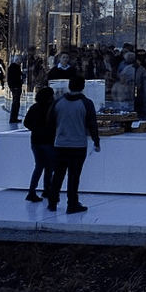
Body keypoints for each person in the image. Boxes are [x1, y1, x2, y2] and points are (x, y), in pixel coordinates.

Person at [44, 76, 101, 214]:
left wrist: (52, 141)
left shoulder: (58, 102)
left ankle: (52, 201)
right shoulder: (86, 103)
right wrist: (96, 141)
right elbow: (92, 124)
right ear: (82, 87)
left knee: (58, 174)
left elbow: (50, 123)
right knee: (74, 176)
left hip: (60, 144)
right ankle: (72, 203)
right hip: (78, 145)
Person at [21, 87, 56, 202]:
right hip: (48, 141)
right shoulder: (51, 109)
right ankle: (47, 189)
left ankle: (32, 191)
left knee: (39, 166)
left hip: (35, 141)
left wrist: (36, 130)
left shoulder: (34, 107)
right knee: (49, 166)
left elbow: (26, 122)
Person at [7, 59, 24, 123]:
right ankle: (13, 118)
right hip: (16, 86)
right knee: (16, 103)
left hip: (14, 86)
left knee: (16, 102)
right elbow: (16, 77)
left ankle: (14, 117)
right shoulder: (15, 67)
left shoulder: (12, 67)